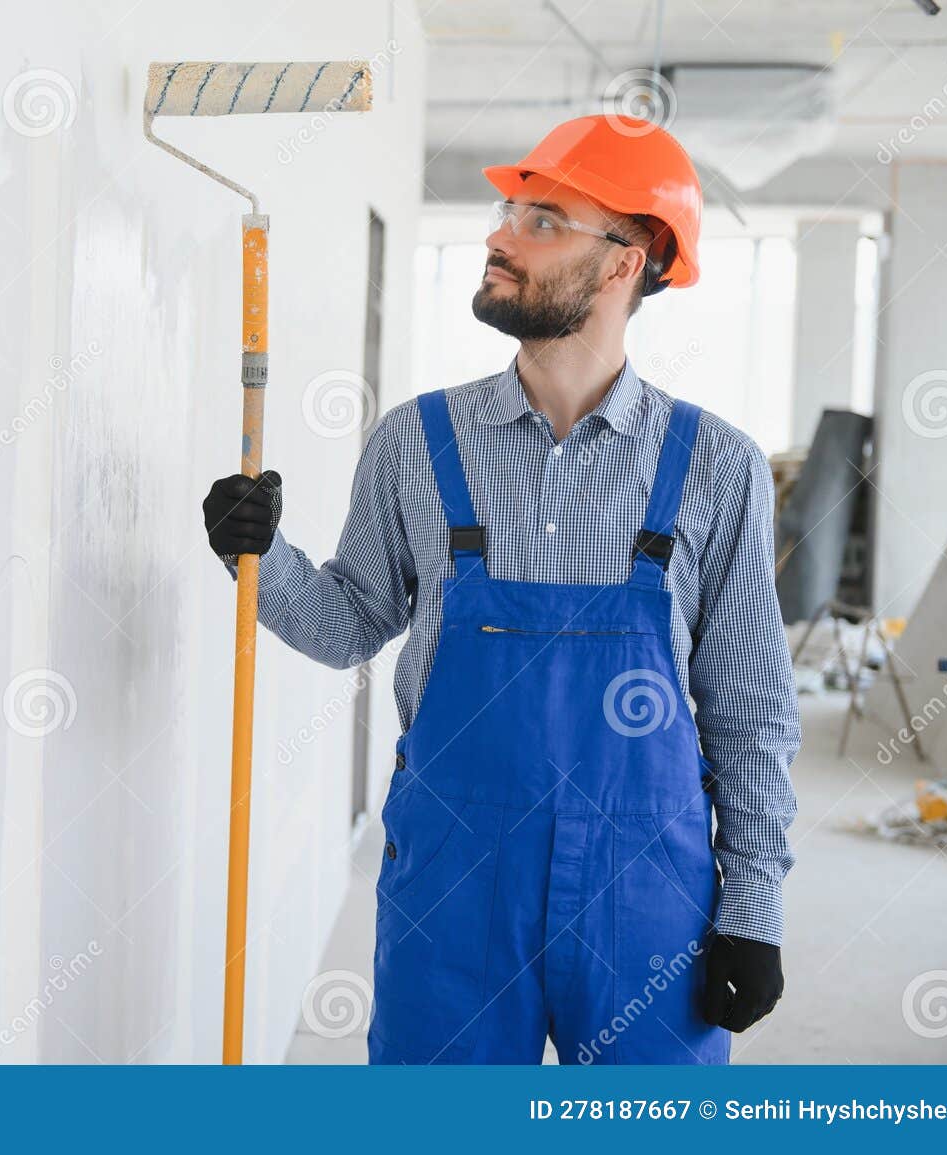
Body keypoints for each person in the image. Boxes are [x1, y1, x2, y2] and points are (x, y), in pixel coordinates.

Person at [201, 114, 799, 1065]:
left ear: (626, 261)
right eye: (507, 211)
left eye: (543, 219)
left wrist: (753, 907)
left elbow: (751, 710)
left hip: (645, 889)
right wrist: (260, 558)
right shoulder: (415, 442)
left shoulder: (716, 467)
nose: (499, 236)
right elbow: (350, 622)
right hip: (454, 882)